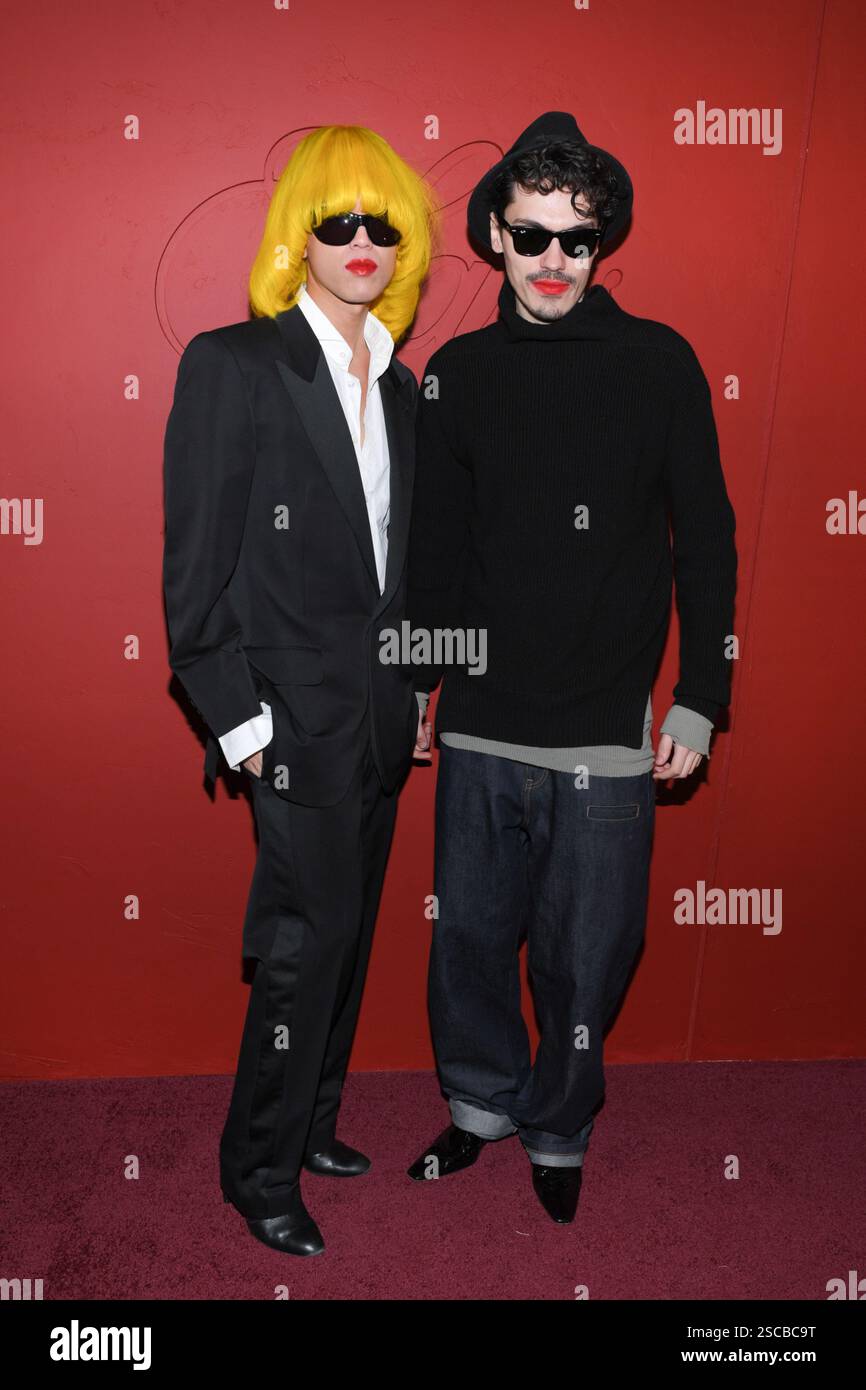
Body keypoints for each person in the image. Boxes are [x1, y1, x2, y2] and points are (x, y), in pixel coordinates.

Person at [406, 111, 737, 1223]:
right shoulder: (454, 373)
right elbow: (434, 555)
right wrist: (417, 681)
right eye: (530, 235)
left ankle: (557, 1127)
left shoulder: (658, 364)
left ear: (602, 246)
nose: (553, 261)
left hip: (605, 729)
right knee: (469, 943)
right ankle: (480, 1109)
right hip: (478, 725)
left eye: (576, 240)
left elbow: (708, 540)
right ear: (491, 237)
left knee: (587, 961)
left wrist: (698, 700)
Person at [163, 124, 437, 1255]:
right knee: (299, 944)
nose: (362, 240)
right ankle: (256, 1168)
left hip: (374, 717)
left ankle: (315, 1122)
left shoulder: (406, 383)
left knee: (349, 934)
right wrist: (242, 725)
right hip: (284, 722)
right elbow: (195, 572)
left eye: (384, 221)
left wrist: (417, 690)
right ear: (298, 236)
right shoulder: (233, 365)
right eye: (338, 220)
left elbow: (401, 560)